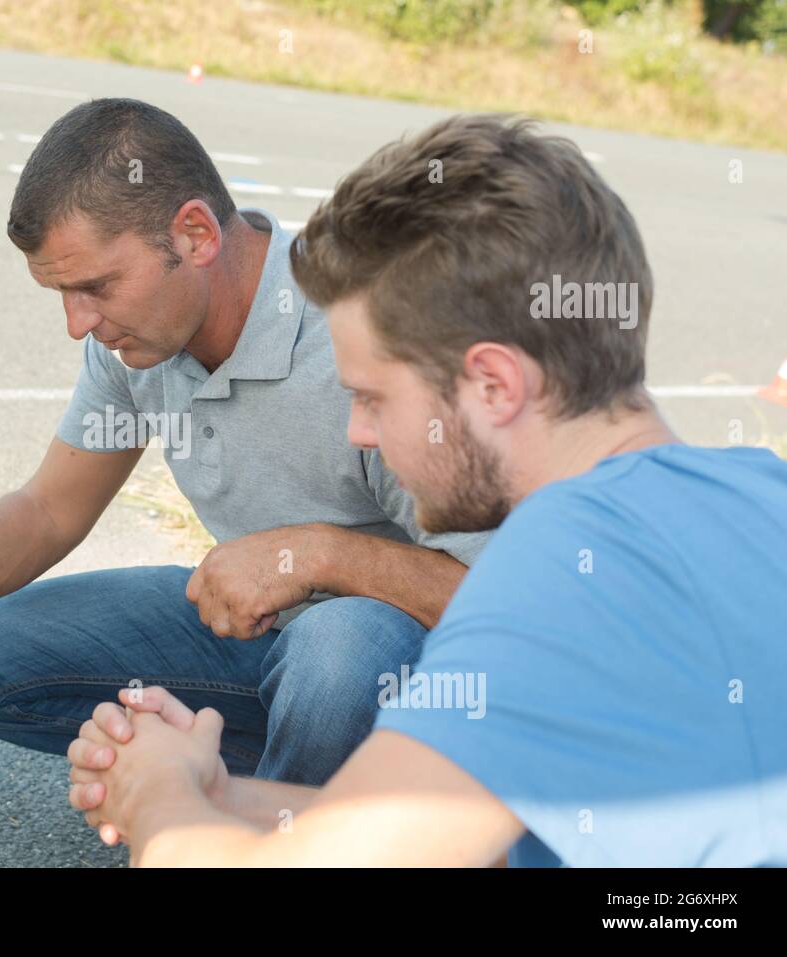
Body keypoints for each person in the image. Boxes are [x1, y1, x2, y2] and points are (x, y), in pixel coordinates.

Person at [65, 113, 787, 867]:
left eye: (373, 396)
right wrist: (219, 793)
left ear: (494, 384)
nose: (360, 432)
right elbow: (436, 827)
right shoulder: (754, 494)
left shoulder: (551, 587)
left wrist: (157, 792)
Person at [0, 99, 487, 787]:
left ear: (194, 234)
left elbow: (511, 604)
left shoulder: (366, 339)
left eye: (94, 286)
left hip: (407, 664)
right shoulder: (137, 341)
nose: (77, 324)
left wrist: (319, 553)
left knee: (343, 645)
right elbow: (48, 510)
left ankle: (288, 825)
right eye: (63, 294)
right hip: (260, 628)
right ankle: (300, 770)